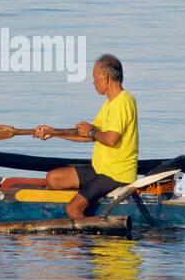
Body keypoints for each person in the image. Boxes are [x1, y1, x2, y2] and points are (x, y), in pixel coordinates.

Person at [34, 53, 138, 218]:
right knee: (54, 178)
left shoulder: (123, 102)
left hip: (116, 174)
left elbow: (110, 139)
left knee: (72, 209)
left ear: (105, 76)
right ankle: (89, 203)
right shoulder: (109, 104)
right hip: (101, 169)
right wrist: (53, 133)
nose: (93, 82)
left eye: (94, 77)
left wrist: (91, 131)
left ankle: (87, 240)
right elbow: (87, 136)